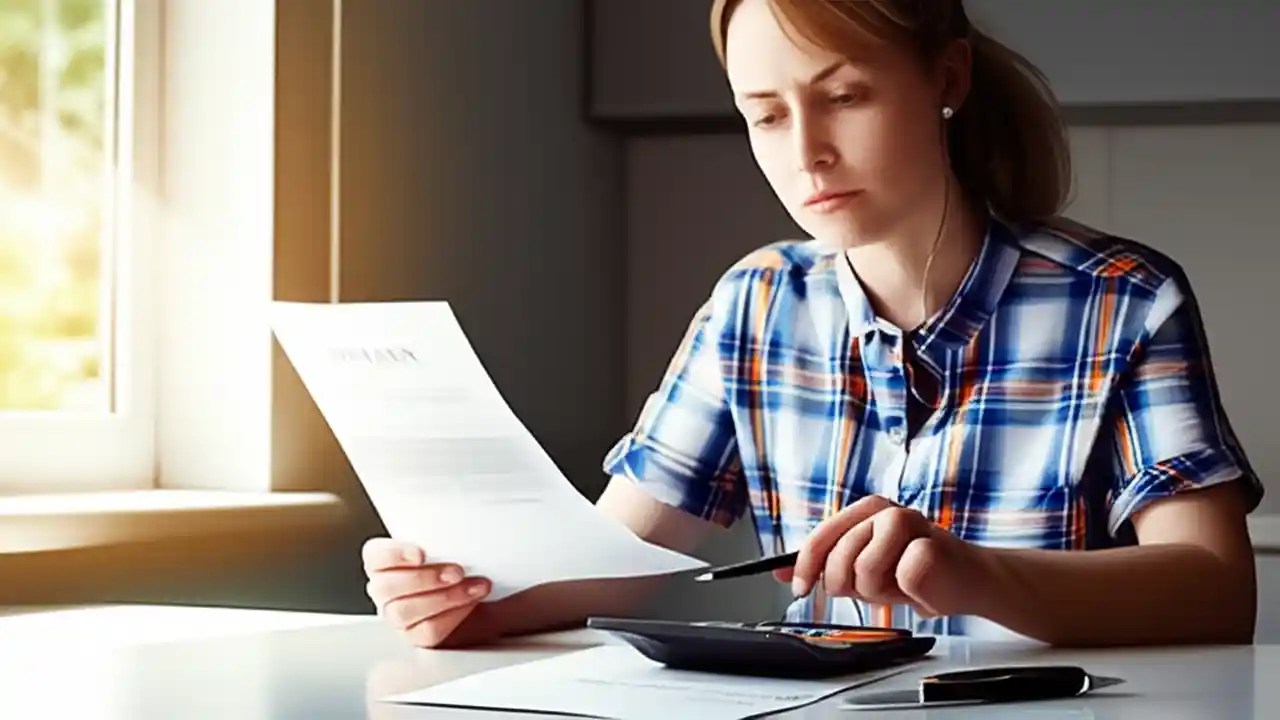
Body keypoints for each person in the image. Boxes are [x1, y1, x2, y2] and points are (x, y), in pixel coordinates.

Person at [363, 0, 1264, 649]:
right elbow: (620, 553)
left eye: (845, 97)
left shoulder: (1125, 298)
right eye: (765, 114)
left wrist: (973, 574)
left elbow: (1215, 590)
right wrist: (470, 602)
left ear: (946, 77)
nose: (805, 154)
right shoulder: (756, 302)